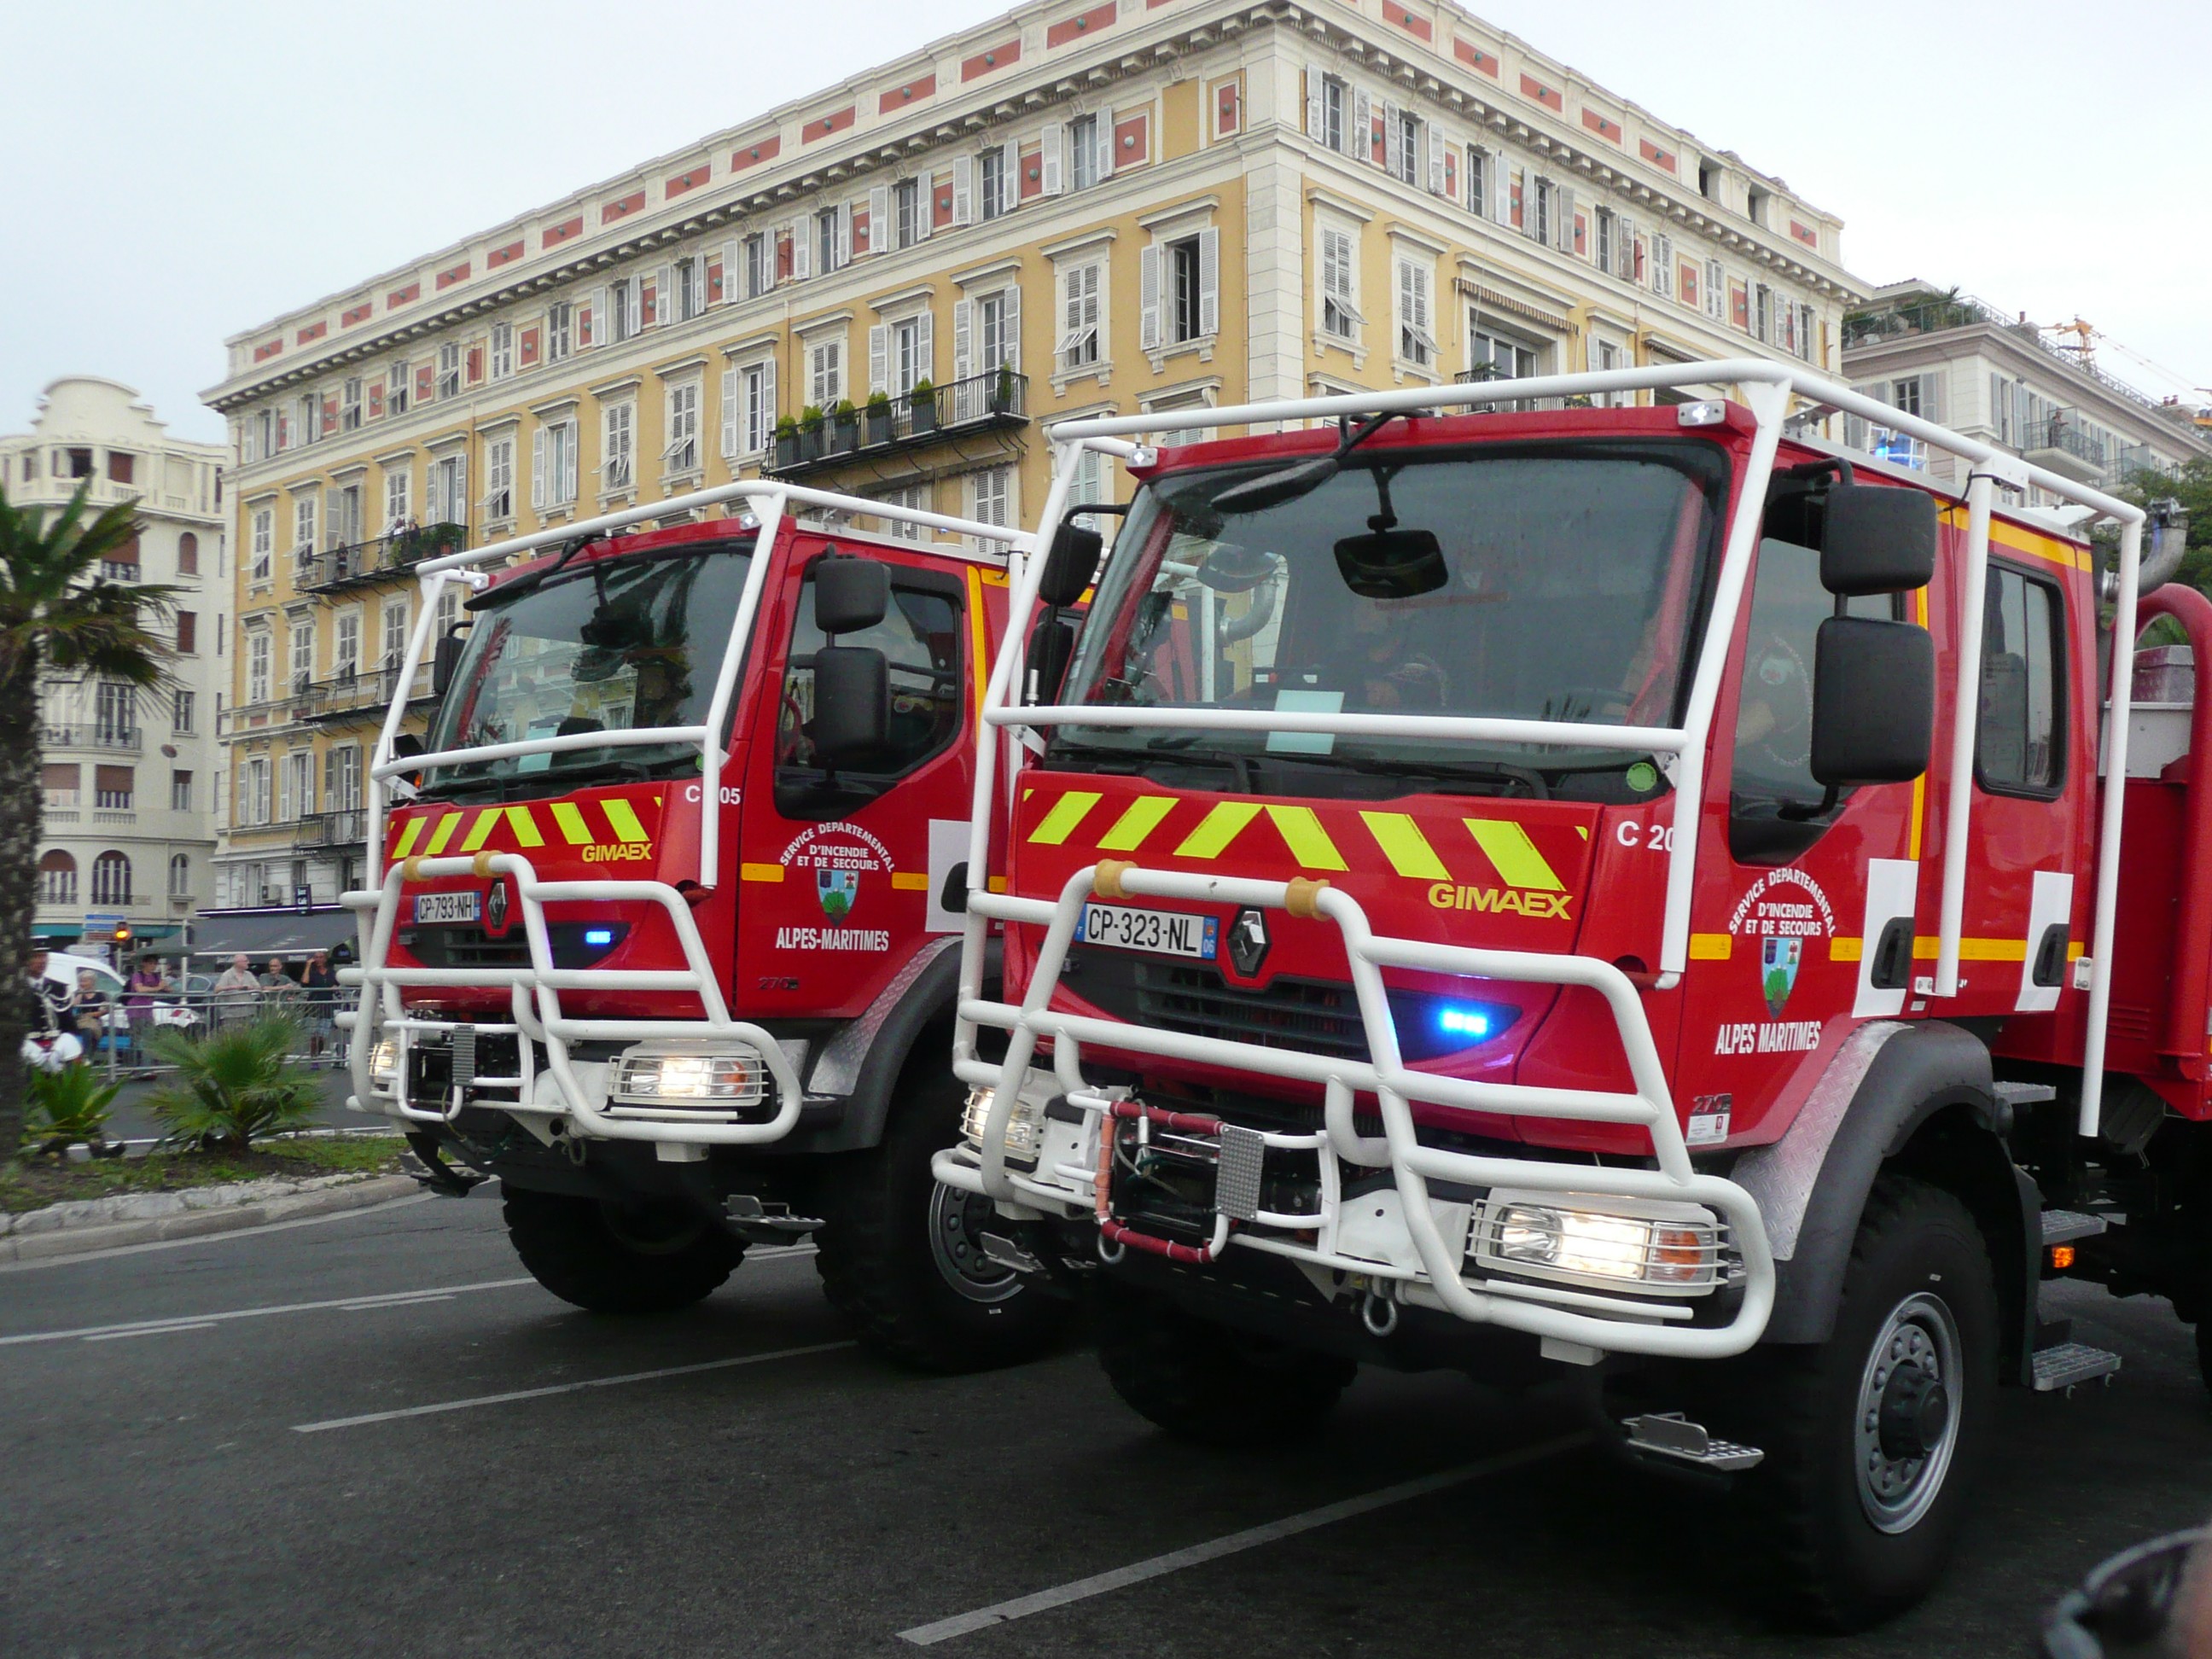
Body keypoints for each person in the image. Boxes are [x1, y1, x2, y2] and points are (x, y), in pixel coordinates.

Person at [21, 949, 83, 1071]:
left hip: (57, 1048)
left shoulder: (58, 988)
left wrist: (61, 1047)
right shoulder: (15, 990)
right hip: (27, 1051)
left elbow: (69, 1025)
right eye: (36, 957)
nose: (42, 961)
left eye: (44, 956)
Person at [299, 951, 337, 1061]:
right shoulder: (311, 972)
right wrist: (308, 965)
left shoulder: (331, 972)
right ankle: (313, 1059)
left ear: (325, 959)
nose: (318, 960)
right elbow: (304, 982)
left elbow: (336, 983)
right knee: (313, 1036)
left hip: (327, 1007)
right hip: (313, 1007)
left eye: (321, 957)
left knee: (322, 1036)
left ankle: (318, 1054)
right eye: (316, 957)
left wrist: (334, 987)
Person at [68, 970, 112, 1055]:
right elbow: (74, 1005)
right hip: (80, 1022)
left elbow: (105, 1010)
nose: (82, 983)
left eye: (85, 981)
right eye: (81, 981)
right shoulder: (77, 993)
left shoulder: (100, 994)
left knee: (93, 1032)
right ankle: (86, 1055)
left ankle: (89, 1056)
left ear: (92, 982)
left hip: (94, 1022)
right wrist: (81, 992)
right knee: (87, 1031)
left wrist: (91, 1015)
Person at [212, 952, 260, 1025]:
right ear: (238, 962)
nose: (248, 962)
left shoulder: (249, 974)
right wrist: (233, 987)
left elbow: (258, 988)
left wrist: (249, 988)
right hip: (231, 1014)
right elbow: (217, 990)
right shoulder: (227, 975)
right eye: (246, 961)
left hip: (248, 1012)